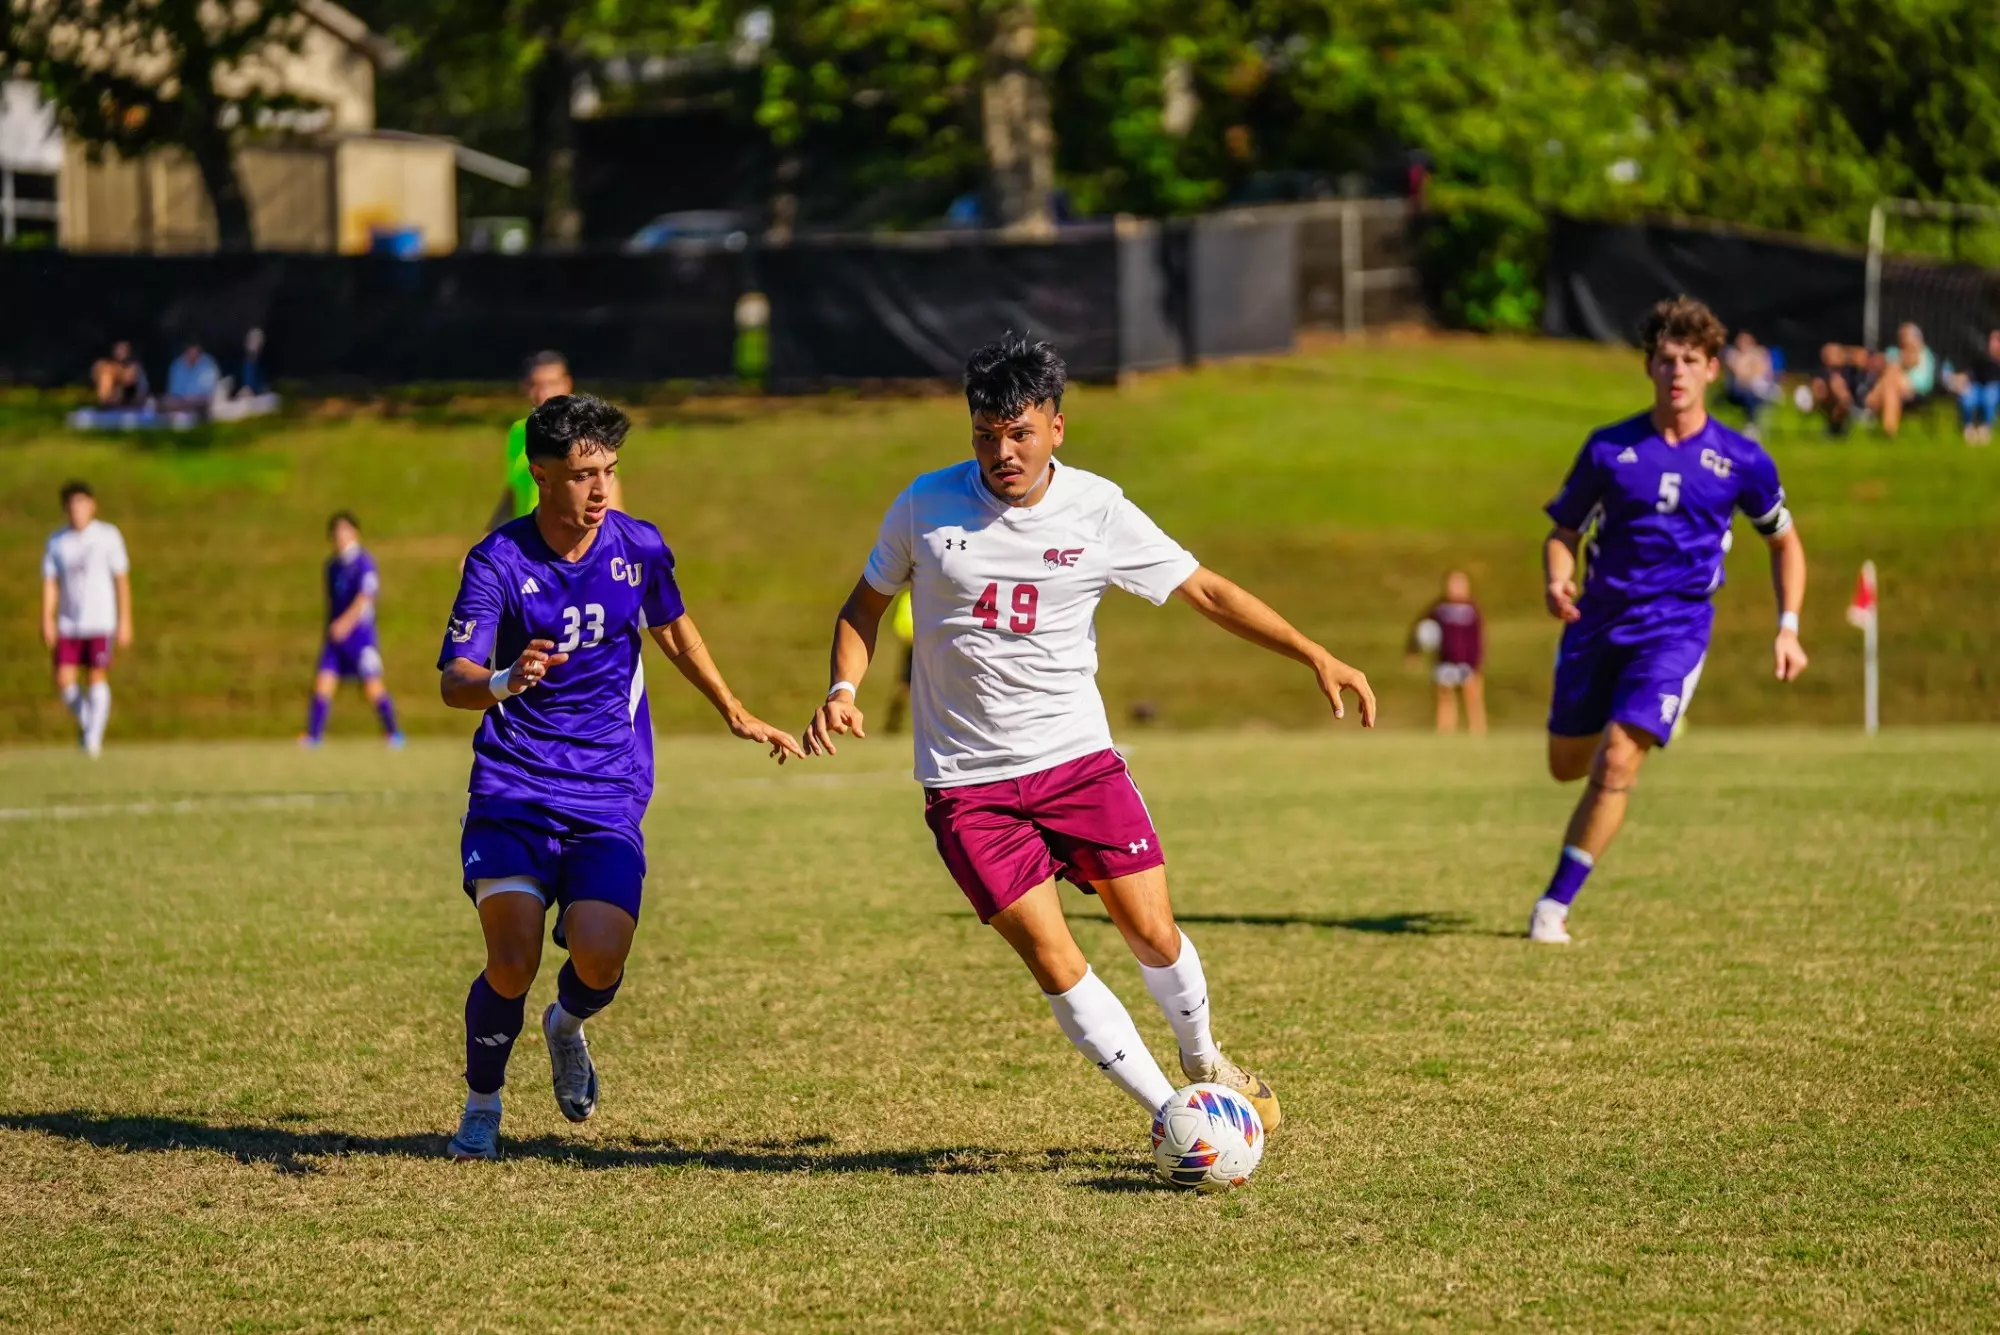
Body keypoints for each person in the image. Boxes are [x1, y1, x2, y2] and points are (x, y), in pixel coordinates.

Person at [801, 335, 1375, 1132]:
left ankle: (1204, 1057)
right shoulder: (923, 505)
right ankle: (1178, 1116)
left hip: (1078, 765)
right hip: (968, 785)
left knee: (1152, 929)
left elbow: (1204, 590)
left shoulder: (1100, 508)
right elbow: (863, 605)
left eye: (1019, 433)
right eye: (984, 433)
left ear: (1056, 429)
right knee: (1054, 955)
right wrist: (842, 686)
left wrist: (1313, 652)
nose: (1001, 451)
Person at [438, 392, 802, 1160]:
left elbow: (672, 626)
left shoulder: (638, 546)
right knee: (513, 958)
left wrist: (733, 708)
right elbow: (456, 679)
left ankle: (565, 1024)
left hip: (606, 786)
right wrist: (506, 678)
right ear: (540, 474)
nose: (600, 489)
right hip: (514, 785)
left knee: (602, 954)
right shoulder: (498, 561)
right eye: (582, 474)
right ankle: (482, 1103)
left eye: (608, 469)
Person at [1531, 295, 1808, 945]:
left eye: (1690, 360)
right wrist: (1556, 575)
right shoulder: (1609, 449)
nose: (1676, 372)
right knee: (1566, 764)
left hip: (1676, 626)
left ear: (1715, 368)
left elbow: (1784, 543)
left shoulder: (1743, 460)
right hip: (1596, 620)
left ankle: (1553, 906)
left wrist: (1788, 623)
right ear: (1649, 367)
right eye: (1664, 360)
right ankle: (1642, 714)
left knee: (1617, 763)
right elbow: (1562, 530)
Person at [40, 481, 132, 759]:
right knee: (64, 678)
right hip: (70, 622)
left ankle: (92, 740)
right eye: (72, 505)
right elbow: (50, 582)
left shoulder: (107, 536)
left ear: (92, 505)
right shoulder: (57, 541)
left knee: (96, 676)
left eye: (82, 503)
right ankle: (88, 722)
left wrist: (125, 619)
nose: (77, 510)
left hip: (101, 620)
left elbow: (121, 579)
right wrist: (47, 617)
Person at [487, 351, 623, 533]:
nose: (543, 394)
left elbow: (609, 502)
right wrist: (483, 542)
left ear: (567, 383)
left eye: (551, 384)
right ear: (525, 387)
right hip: (528, 548)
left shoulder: (587, 436)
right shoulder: (519, 432)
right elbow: (513, 495)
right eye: (536, 385)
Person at [301, 512, 404, 749]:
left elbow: (365, 598)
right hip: (335, 638)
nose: (340, 536)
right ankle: (313, 737)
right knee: (323, 683)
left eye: (345, 530)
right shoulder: (331, 566)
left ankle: (394, 733)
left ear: (355, 533)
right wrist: (332, 628)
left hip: (360, 637)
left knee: (372, 687)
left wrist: (345, 624)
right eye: (336, 532)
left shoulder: (363, 563)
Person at [1405, 570, 1485, 734]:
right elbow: (1420, 627)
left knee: (1472, 697)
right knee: (1445, 698)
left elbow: (1478, 638)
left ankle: (1477, 730)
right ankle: (1445, 731)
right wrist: (1413, 651)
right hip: (1444, 661)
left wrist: (1477, 662)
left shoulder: (1472, 609)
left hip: (1467, 662)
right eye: (1452, 583)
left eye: (1460, 583)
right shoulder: (1439, 609)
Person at [1864, 322, 1936, 438]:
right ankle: (1890, 431)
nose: (1903, 338)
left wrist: (1900, 361)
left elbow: (1925, 381)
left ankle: (1872, 402)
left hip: (1916, 389)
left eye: (1906, 335)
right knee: (1891, 386)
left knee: (1892, 374)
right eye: (1902, 335)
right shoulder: (1894, 351)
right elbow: (1879, 363)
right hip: (1895, 387)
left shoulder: (1925, 354)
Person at [1944, 328, 2000, 446]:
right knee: (1968, 397)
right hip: (1977, 385)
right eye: (1994, 340)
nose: (1996, 343)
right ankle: (1968, 426)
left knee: (1990, 396)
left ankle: (1985, 427)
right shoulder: (1979, 355)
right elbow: (1968, 373)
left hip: (1995, 388)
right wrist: (1959, 382)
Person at [1720, 331, 1781, 439]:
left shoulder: (1759, 353)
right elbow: (1740, 373)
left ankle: (1751, 425)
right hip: (1737, 391)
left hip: (1757, 389)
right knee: (1750, 396)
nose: (1742, 344)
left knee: (1756, 395)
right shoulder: (1732, 355)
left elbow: (1763, 370)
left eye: (1746, 342)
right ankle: (1751, 424)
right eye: (1741, 341)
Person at [882, 588, 916, 733]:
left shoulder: (932, 595)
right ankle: (893, 723)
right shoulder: (908, 598)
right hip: (914, 647)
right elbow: (901, 625)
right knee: (904, 686)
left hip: (928, 647)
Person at [162, 342, 221, 412]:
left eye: (195, 349)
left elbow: (208, 396)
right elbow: (174, 393)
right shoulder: (177, 365)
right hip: (180, 407)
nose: (192, 352)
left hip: (202, 408)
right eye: (190, 349)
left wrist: (191, 401)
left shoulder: (208, 363)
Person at [90, 341, 149, 407]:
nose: (120, 352)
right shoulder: (106, 368)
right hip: (111, 403)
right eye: (119, 349)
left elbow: (131, 381)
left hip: (131, 403)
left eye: (123, 350)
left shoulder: (135, 368)